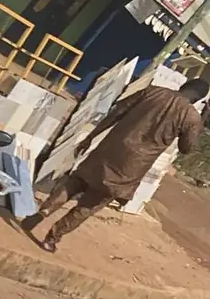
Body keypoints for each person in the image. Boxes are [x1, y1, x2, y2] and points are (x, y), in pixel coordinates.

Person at [22, 77, 207, 252]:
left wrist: (91, 137)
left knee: (76, 181)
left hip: (108, 150)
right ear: (198, 99)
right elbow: (186, 149)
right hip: (131, 167)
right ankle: (51, 239)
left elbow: (116, 113)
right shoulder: (191, 118)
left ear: (184, 85)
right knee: (90, 204)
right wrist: (203, 118)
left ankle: (45, 209)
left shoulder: (152, 91)